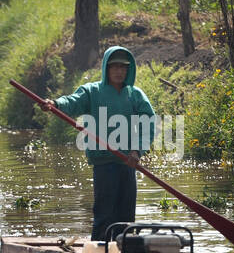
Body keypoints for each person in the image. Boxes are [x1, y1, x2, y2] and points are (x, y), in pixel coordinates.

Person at [42, 45, 157, 242]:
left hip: (128, 163)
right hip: (104, 164)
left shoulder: (135, 94)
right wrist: (56, 104)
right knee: (105, 215)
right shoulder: (92, 92)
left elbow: (148, 122)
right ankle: (99, 252)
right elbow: (73, 101)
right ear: (106, 69)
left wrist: (137, 151)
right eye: (115, 67)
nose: (119, 71)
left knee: (127, 218)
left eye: (123, 67)